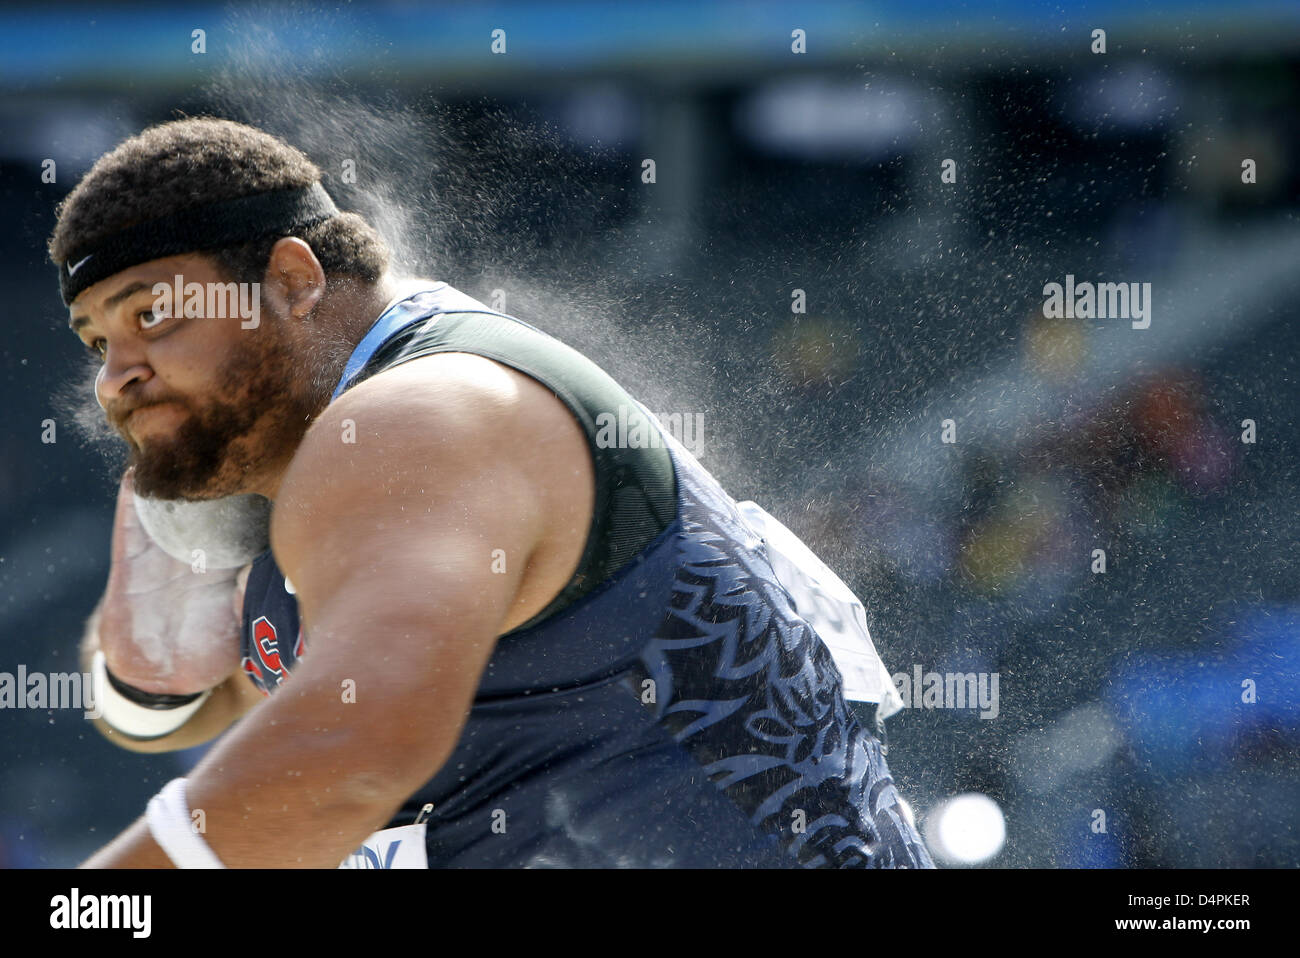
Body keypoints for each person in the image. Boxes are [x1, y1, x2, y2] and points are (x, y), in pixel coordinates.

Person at [53, 116, 934, 868]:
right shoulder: (340, 454)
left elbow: (345, 756)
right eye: (98, 343)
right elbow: (191, 705)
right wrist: (153, 590)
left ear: (293, 281)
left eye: (151, 315)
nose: (116, 378)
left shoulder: (421, 422)